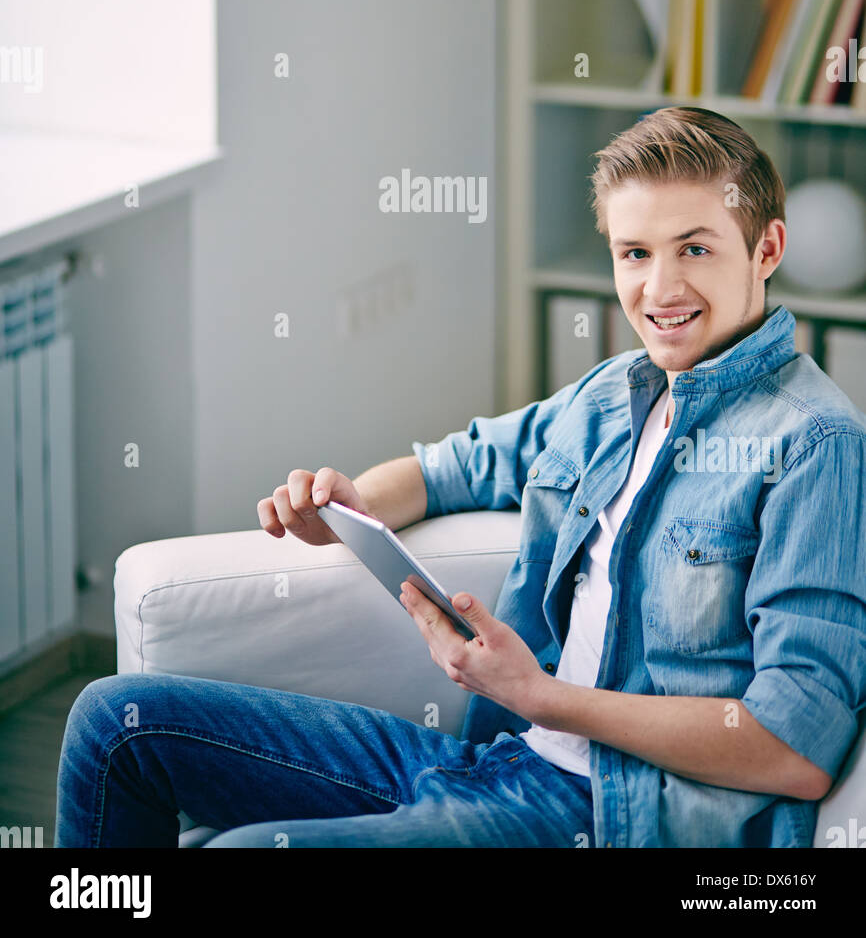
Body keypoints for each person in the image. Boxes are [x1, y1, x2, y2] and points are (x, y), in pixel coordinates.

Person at [54, 106, 866, 848]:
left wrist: (542, 696)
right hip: (494, 761)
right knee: (114, 726)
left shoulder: (814, 444)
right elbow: (457, 465)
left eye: (695, 248)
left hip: (601, 817)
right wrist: (351, 504)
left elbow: (795, 750)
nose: (660, 289)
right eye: (635, 253)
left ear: (767, 249)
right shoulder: (612, 396)